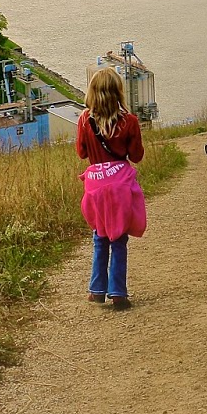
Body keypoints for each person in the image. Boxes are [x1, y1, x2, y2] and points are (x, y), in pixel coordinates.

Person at [76, 67, 145, 310]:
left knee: (100, 236)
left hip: (95, 185)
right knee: (118, 238)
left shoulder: (84, 119)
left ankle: (96, 290)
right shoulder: (130, 121)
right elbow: (136, 156)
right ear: (118, 92)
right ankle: (117, 292)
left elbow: (82, 152)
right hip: (119, 186)